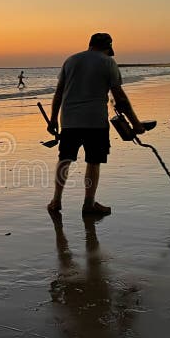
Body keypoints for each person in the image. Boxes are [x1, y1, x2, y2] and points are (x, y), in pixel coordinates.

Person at [45, 33, 145, 215]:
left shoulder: (71, 61)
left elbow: (58, 93)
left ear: (90, 45)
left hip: (69, 121)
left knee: (65, 159)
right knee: (93, 161)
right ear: (107, 47)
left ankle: (56, 200)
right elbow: (119, 97)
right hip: (95, 122)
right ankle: (89, 204)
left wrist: (52, 119)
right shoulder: (108, 62)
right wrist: (135, 123)